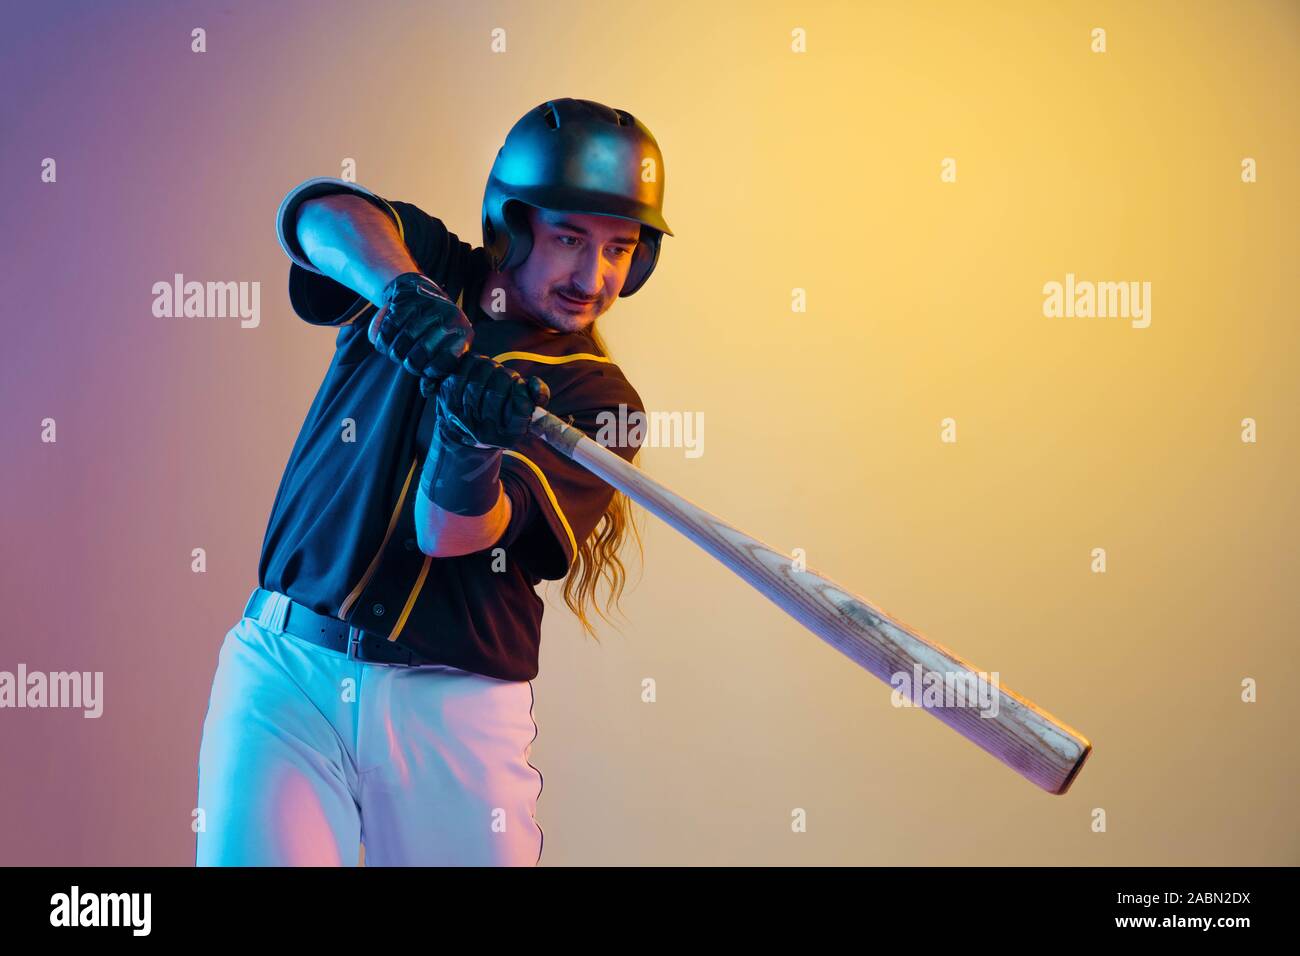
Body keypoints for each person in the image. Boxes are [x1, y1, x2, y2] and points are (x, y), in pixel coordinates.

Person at [194, 98, 673, 866]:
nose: (594, 275)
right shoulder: (429, 264)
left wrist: (468, 442)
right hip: (286, 671)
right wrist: (401, 291)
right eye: (570, 238)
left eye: (620, 248)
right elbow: (316, 213)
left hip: (451, 708)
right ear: (512, 224)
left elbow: (448, 533)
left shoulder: (600, 402)